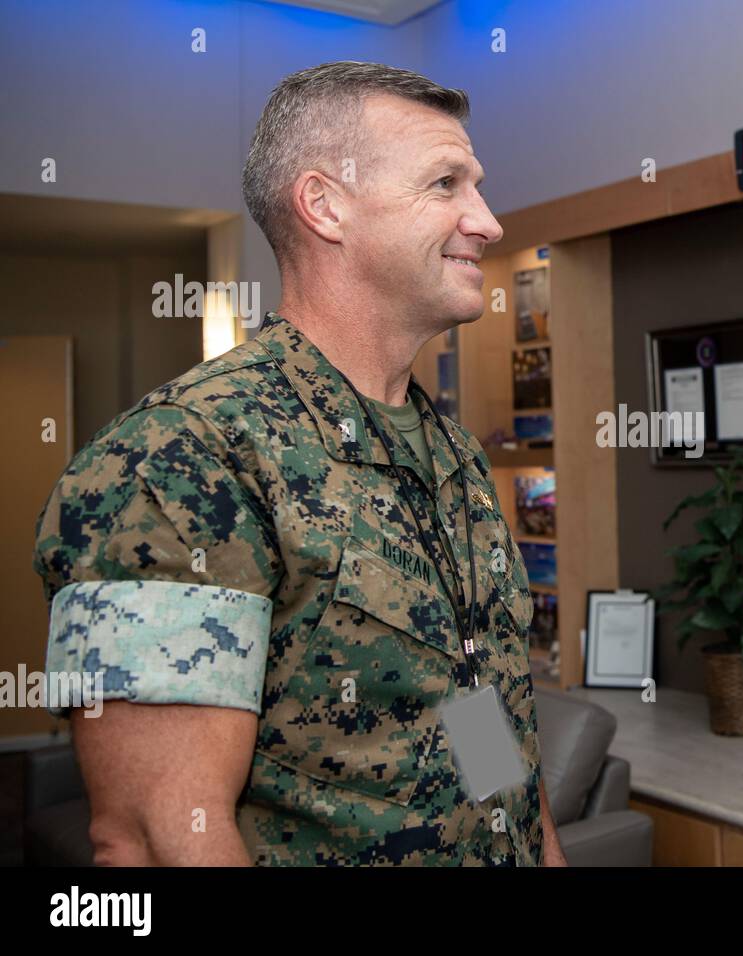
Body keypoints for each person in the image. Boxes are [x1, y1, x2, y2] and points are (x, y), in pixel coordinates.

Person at [32, 61, 566, 867]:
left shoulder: (451, 455)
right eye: (446, 183)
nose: (486, 221)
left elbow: (472, 709)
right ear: (324, 205)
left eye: (477, 186)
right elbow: (155, 837)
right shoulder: (182, 459)